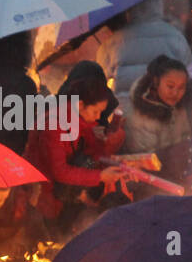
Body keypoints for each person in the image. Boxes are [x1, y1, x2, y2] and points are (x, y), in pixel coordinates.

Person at [28, 72, 128, 233]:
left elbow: (94, 153)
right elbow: (59, 172)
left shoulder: (81, 122)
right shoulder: (54, 125)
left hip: (68, 193)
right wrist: (100, 176)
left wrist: (116, 163)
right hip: (45, 196)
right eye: (95, 111)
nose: (98, 117)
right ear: (80, 105)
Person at [96, 0, 192, 104]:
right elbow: (190, 77)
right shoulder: (175, 37)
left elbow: (99, 87)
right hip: (165, 113)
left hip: (126, 115)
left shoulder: (111, 44)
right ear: (158, 3)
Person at [126, 55, 191, 153]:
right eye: (170, 86)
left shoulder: (179, 108)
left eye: (181, 88)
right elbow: (144, 156)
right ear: (156, 82)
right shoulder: (141, 116)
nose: (175, 93)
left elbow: (186, 138)